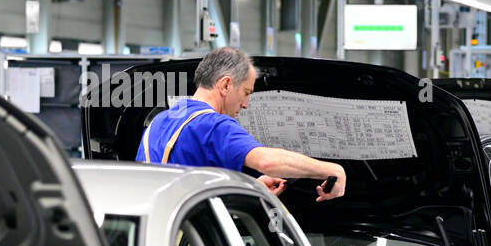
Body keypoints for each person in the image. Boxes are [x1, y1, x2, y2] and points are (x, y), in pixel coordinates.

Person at [136, 47, 346, 201]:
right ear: (226, 84)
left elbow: (188, 182)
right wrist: (332, 169)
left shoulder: (161, 121)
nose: (245, 104)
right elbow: (266, 162)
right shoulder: (212, 125)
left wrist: (251, 185)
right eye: (246, 93)